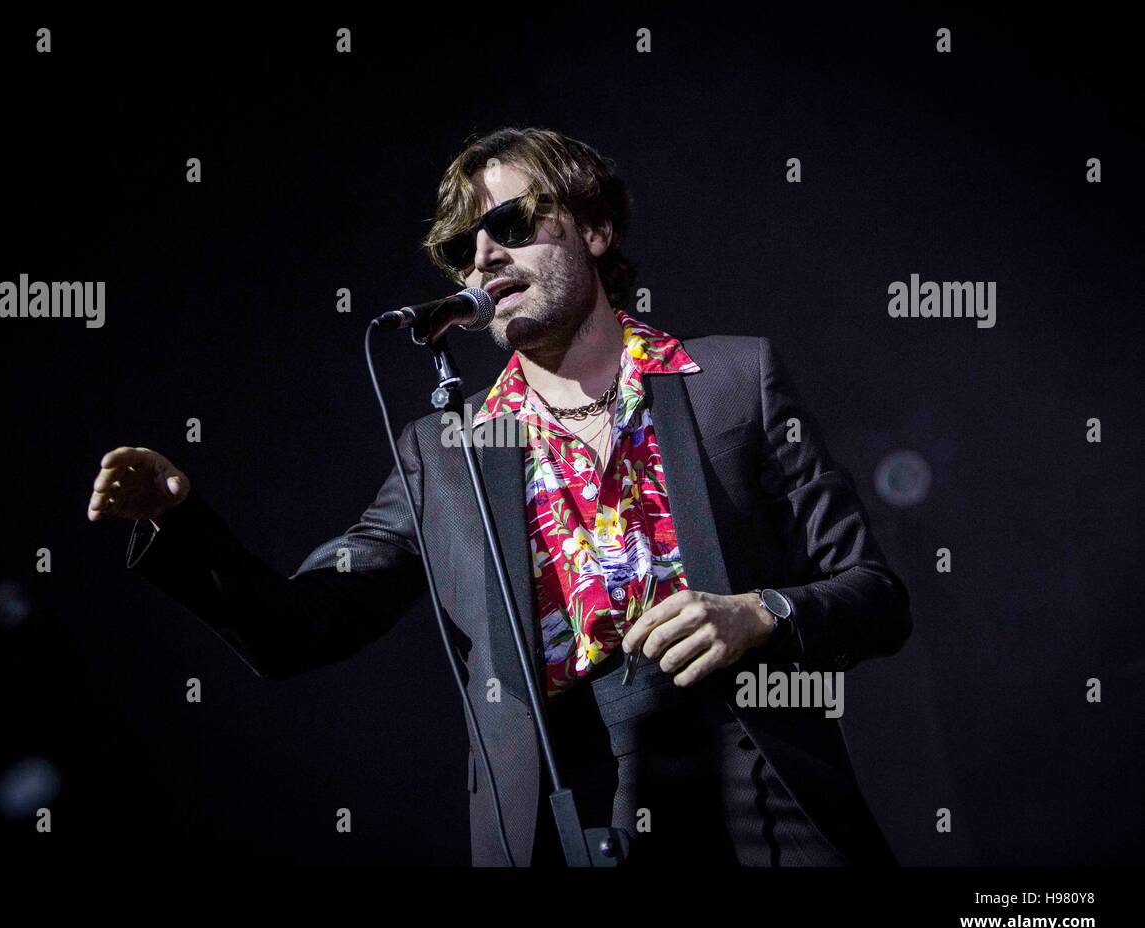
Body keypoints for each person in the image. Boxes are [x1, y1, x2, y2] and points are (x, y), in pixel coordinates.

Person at [87, 127, 913, 867]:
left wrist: (759, 612)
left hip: (750, 772)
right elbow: (298, 629)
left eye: (513, 224)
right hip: (567, 804)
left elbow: (875, 596)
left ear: (596, 228)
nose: (483, 255)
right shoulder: (441, 455)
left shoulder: (736, 380)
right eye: (461, 245)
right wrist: (182, 523)